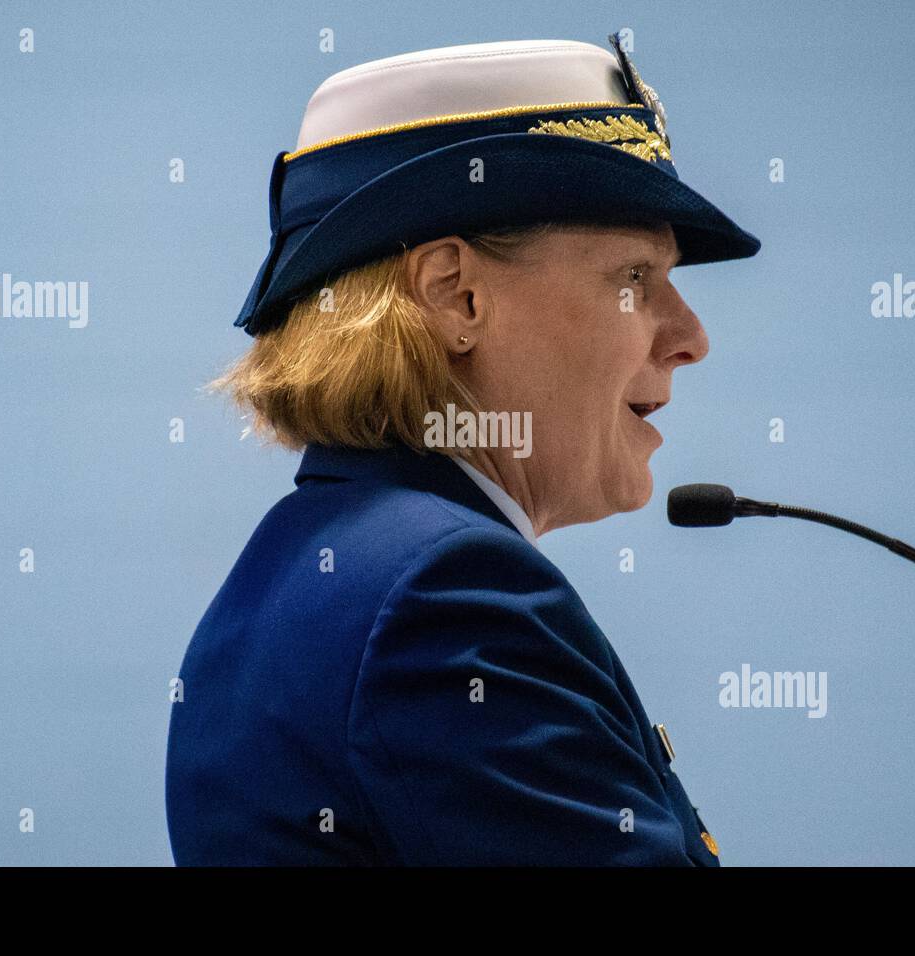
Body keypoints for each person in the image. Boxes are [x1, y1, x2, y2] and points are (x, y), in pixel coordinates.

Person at [165, 31, 760, 865]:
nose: (690, 337)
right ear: (455, 295)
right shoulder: (443, 597)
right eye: (633, 279)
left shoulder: (309, 567)